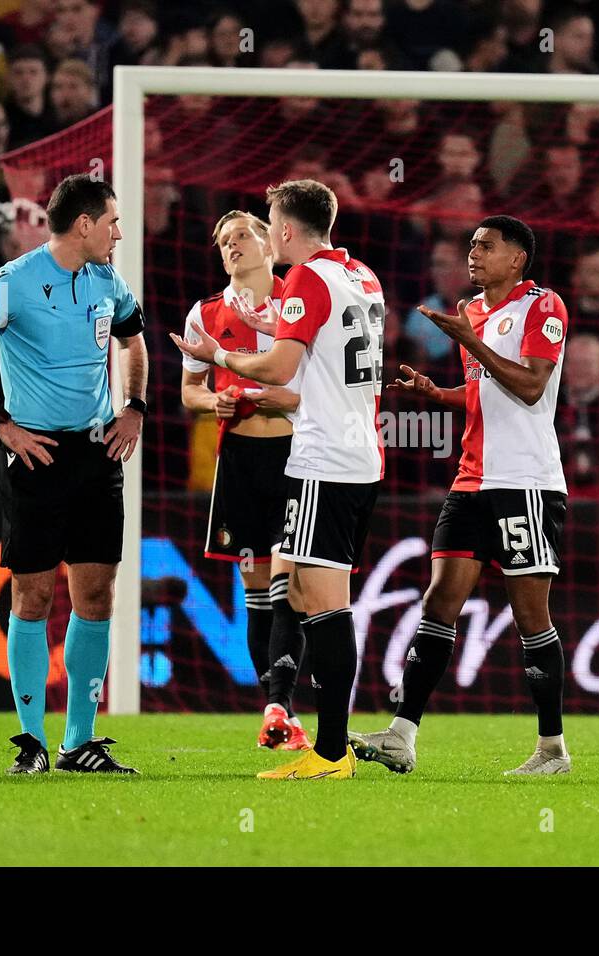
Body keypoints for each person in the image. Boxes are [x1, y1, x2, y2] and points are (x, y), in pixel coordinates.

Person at [0, 174, 148, 774]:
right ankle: (31, 741)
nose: (118, 232)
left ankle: (79, 741)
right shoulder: (14, 283)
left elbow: (134, 342)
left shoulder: (108, 280)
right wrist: (0, 424)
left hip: (98, 453)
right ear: (84, 225)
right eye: (112, 222)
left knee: (96, 595)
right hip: (36, 456)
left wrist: (134, 407)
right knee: (33, 594)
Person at [173, 178, 385, 781]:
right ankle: (312, 733)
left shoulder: (308, 281)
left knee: (319, 604)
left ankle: (331, 752)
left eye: (263, 223)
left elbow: (280, 365)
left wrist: (219, 358)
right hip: (360, 453)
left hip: (318, 457)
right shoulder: (362, 275)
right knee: (304, 595)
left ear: (283, 232)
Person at [349, 215, 573, 776]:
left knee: (530, 616)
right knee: (439, 601)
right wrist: (438, 392)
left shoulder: (542, 307)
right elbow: (484, 394)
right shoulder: (471, 309)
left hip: (524, 482)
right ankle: (402, 736)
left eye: (487, 246)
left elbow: (528, 385)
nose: (473, 254)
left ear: (517, 258)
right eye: (471, 245)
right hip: (471, 481)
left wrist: (471, 342)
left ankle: (552, 749)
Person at [180, 210, 311, 752]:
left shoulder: (298, 302)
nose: (231, 247)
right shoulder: (205, 313)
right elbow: (190, 391)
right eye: (223, 242)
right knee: (256, 591)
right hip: (237, 464)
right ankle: (280, 714)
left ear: (267, 241)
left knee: (289, 586)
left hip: (295, 459)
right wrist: (217, 399)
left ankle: (285, 707)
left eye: (241, 237)